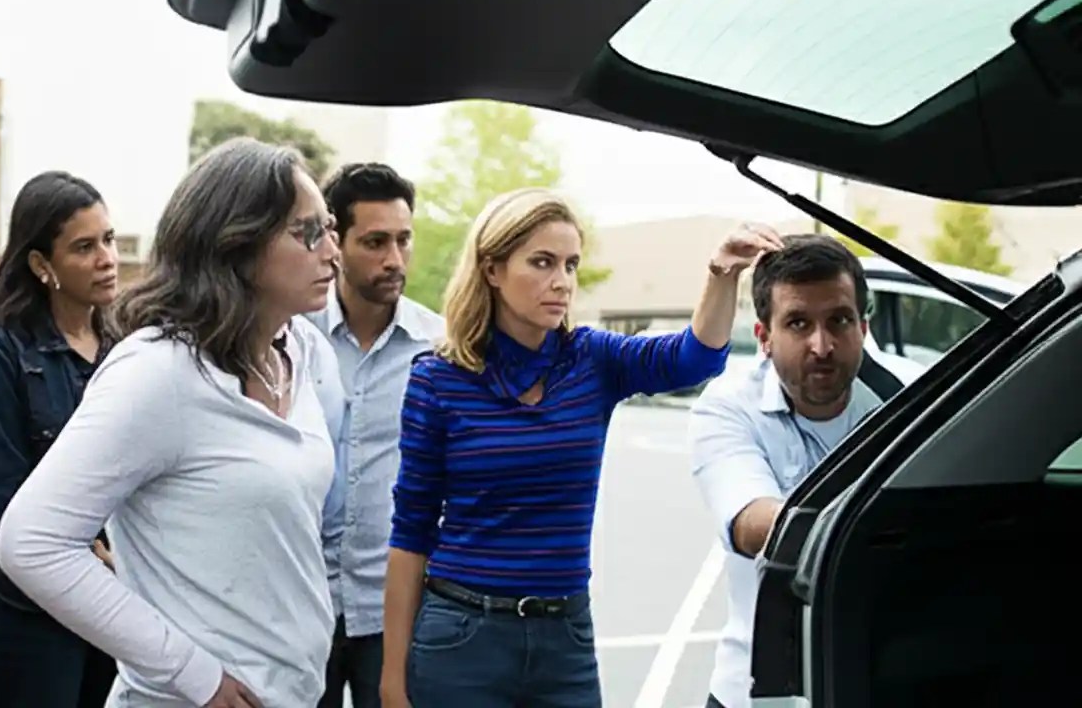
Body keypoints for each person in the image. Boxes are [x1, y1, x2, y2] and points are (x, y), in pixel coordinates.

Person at [380, 187, 781, 708]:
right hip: (462, 638)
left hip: (564, 639)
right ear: (492, 269)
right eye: (542, 262)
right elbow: (410, 532)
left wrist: (722, 273)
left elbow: (694, 359)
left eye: (570, 265)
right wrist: (392, 679)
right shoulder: (437, 380)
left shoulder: (592, 359)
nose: (562, 281)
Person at [0, 137, 341, 708]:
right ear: (237, 242)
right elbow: (31, 542)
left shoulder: (304, 352)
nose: (331, 251)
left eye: (329, 228)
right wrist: (190, 673)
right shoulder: (159, 371)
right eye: (307, 232)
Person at [688, 234, 907, 708]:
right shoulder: (726, 408)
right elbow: (754, 526)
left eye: (839, 321)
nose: (821, 345)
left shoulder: (911, 404)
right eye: (798, 323)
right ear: (764, 337)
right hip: (754, 692)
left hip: (878, 682)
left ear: (864, 327)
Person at [0, 170, 121, 706]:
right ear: (40, 264)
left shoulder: (125, 348)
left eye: (108, 239)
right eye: (84, 247)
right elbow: (3, 491)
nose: (107, 258)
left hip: (121, 603)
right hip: (32, 614)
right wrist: (89, 552)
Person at [304, 163, 444, 708]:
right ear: (335, 242)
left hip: (394, 610)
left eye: (403, 240)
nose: (394, 259)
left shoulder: (438, 348)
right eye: (375, 242)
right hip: (300, 602)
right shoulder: (290, 336)